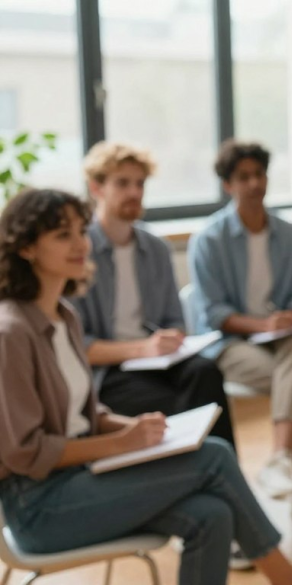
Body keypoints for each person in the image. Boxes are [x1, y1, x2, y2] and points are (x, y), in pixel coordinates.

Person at [0, 188, 292, 585]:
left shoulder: (64, 317)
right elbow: (25, 453)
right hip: (39, 507)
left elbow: (84, 416)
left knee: (212, 515)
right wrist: (121, 444)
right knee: (215, 456)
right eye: (61, 235)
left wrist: (139, 429)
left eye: (80, 231)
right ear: (27, 248)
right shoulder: (11, 332)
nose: (81, 244)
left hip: (81, 481)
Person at [188, 140, 292, 531]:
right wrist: (260, 326)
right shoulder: (208, 239)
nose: (254, 183)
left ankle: (278, 459)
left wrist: (291, 315)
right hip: (230, 343)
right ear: (228, 185)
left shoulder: (288, 234)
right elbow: (212, 313)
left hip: (283, 341)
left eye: (259, 174)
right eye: (243, 177)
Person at [72, 141, 236, 449]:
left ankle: (224, 471)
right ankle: (196, 477)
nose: (135, 192)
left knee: (206, 373)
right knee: (171, 403)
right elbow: (78, 345)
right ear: (97, 188)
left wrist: (171, 338)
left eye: (140, 184)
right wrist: (142, 348)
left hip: (158, 360)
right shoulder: (80, 252)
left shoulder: (155, 249)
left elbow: (175, 320)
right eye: (122, 183)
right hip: (109, 370)